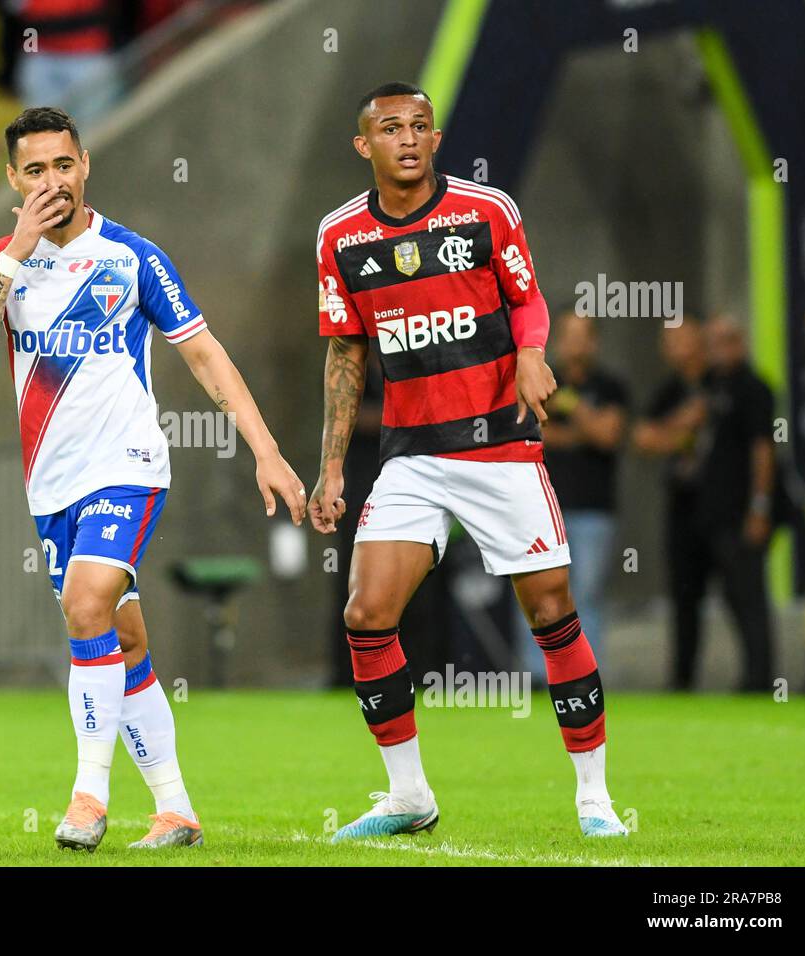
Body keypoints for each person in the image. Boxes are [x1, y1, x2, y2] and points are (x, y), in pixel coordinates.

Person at [0, 106, 304, 851]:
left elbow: (205, 354)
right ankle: (176, 809)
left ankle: (87, 797)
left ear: (86, 165)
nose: (53, 181)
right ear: (14, 178)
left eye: (64, 164)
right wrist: (15, 250)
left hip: (128, 465)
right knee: (124, 637)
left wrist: (265, 449)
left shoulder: (132, 257)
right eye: (35, 170)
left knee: (85, 607)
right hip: (52, 485)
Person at [308, 82, 626, 840]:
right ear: (365, 146)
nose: (408, 138)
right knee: (366, 614)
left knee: (552, 610)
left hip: (499, 448)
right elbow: (345, 352)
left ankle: (594, 797)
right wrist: (329, 469)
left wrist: (532, 353)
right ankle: (409, 796)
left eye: (420, 126)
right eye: (391, 128)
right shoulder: (342, 237)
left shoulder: (486, 211)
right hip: (412, 457)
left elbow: (528, 298)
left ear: (435, 136)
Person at [635, 316, 777, 690]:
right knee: (684, 598)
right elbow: (644, 438)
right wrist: (682, 425)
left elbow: (764, 450)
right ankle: (682, 682)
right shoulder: (674, 392)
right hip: (684, 511)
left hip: (733, 510)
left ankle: (760, 680)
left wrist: (760, 507)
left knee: (744, 596)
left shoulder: (747, 387)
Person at [527, 311, 628, 674]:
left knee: (586, 593)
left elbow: (608, 436)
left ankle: (586, 671)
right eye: (568, 335)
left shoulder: (609, 386)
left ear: (594, 341)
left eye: (582, 335)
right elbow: (528, 433)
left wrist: (572, 405)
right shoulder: (540, 377)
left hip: (592, 509)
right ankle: (538, 676)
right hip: (542, 505)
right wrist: (581, 434)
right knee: (536, 591)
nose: (574, 343)